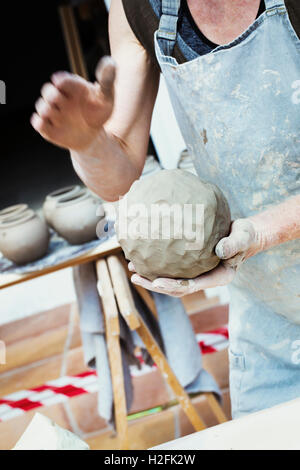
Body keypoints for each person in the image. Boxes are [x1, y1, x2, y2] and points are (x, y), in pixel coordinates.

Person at [31, 0, 300, 418]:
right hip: (271, 322)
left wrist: (263, 232)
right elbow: (118, 171)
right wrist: (88, 143)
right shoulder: (139, 8)